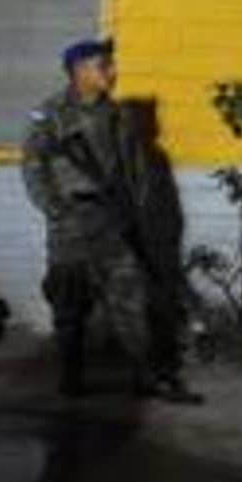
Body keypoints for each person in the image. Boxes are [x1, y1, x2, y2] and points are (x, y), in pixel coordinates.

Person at [21, 39, 202, 403]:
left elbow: (136, 174)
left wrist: (139, 217)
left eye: (110, 65)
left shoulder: (121, 117)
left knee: (132, 299)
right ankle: (70, 377)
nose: (112, 72)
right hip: (72, 226)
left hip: (115, 224)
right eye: (103, 65)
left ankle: (147, 376)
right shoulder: (51, 115)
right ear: (79, 71)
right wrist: (56, 211)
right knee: (70, 304)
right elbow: (33, 169)